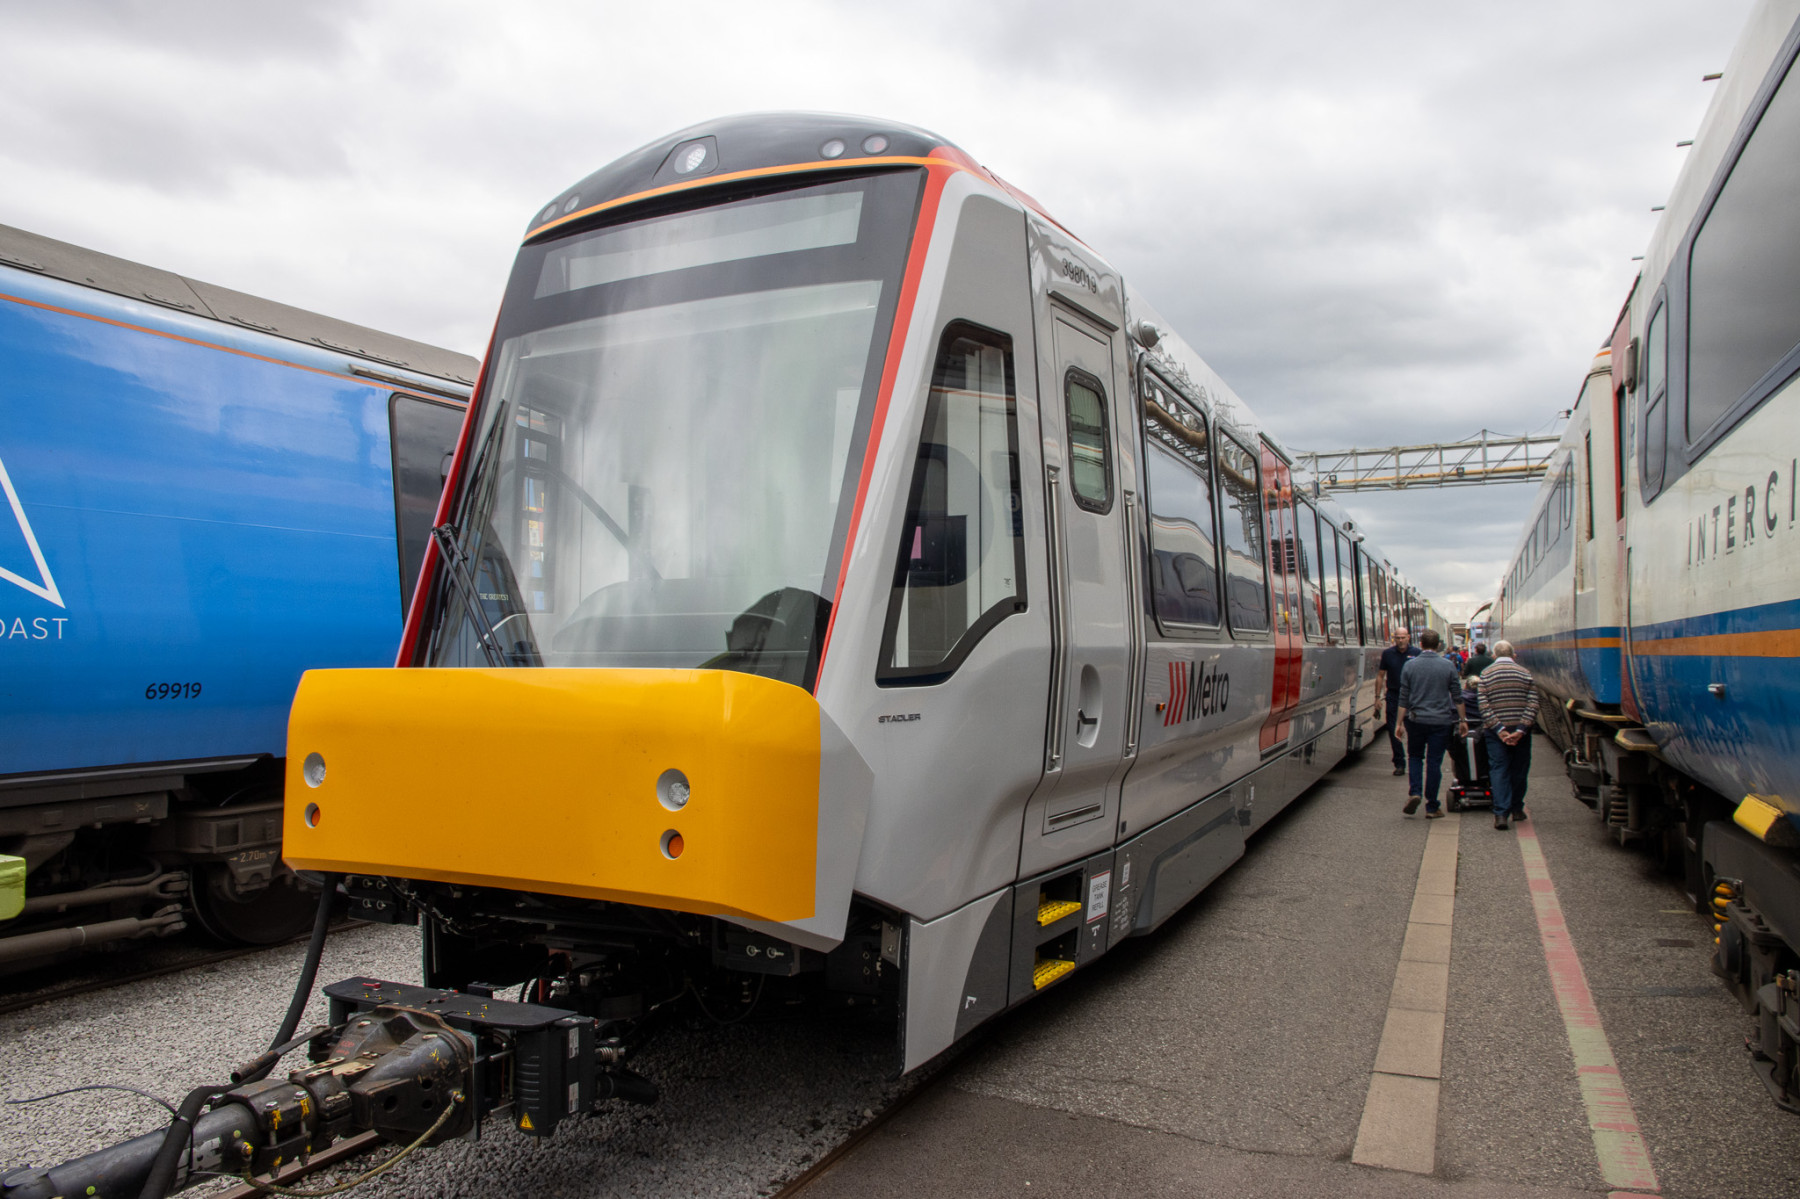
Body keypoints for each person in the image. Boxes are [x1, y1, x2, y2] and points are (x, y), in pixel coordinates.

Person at [1396, 629, 1466, 818]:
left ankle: (1415, 792)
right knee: (1434, 762)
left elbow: (1403, 698)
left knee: (1415, 757)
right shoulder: (1448, 666)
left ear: (1421, 643)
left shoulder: (1410, 666)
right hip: (1441, 721)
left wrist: (1398, 723)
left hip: (1416, 719)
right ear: (1438, 645)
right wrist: (1462, 720)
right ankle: (1432, 806)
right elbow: (1457, 697)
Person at [1476, 640, 1538, 830]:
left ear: (1494, 656)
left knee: (1499, 770)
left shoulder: (1485, 675)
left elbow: (1483, 706)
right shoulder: (1525, 674)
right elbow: (1533, 703)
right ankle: (1517, 809)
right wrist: (1521, 729)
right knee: (1519, 770)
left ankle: (1501, 814)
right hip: (1520, 732)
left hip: (1496, 734)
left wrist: (1499, 729)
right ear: (1513, 655)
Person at [1375, 628, 1421, 776]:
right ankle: (1399, 762)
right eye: (1397, 638)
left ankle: (1415, 757)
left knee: (1413, 728)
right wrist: (1377, 697)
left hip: (1412, 697)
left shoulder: (1416, 654)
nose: (1400, 641)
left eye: (1403, 638)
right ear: (1394, 638)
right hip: (1394, 695)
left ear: (1408, 637)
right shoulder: (1388, 654)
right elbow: (1381, 675)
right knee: (1393, 728)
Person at [1461, 641, 1494, 722]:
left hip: (1473, 685)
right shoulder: (1491, 660)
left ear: (1476, 650)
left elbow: (1465, 673)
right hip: (1487, 684)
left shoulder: (1471, 660)